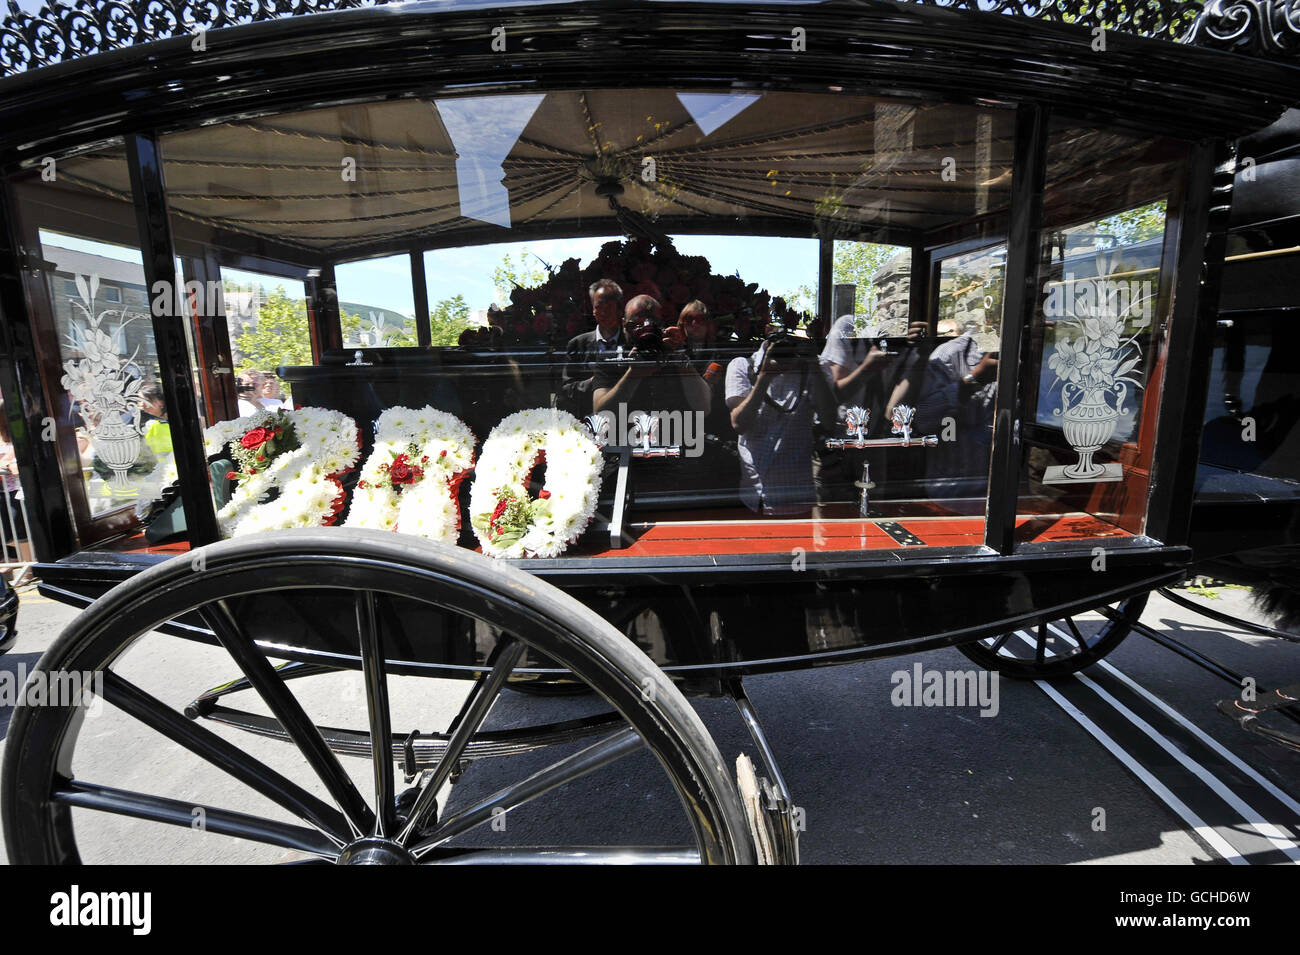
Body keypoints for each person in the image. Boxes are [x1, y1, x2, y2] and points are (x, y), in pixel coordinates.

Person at [726, 333, 836, 516]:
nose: (784, 352)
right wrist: (764, 377)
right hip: (755, 494)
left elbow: (829, 420)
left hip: (796, 494)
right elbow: (739, 424)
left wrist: (814, 366)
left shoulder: (812, 369)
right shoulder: (743, 366)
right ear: (766, 344)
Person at [592, 295, 709, 418]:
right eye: (636, 326)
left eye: (651, 327)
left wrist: (679, 357)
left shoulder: (677, 354)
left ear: (661, 326)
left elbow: (703, 407)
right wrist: (634, 373)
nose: (644, 333)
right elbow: (601, 413)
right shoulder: (610, 358)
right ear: (623, 323)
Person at [560, 279, 627, 417]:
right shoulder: (577, 344)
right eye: (598, 307)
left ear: (620, 309)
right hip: (587, 420)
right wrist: (596, 381)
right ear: (593, 310)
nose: (604, 312)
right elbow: (567, 390)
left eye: (609, 307)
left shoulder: (631, 342)